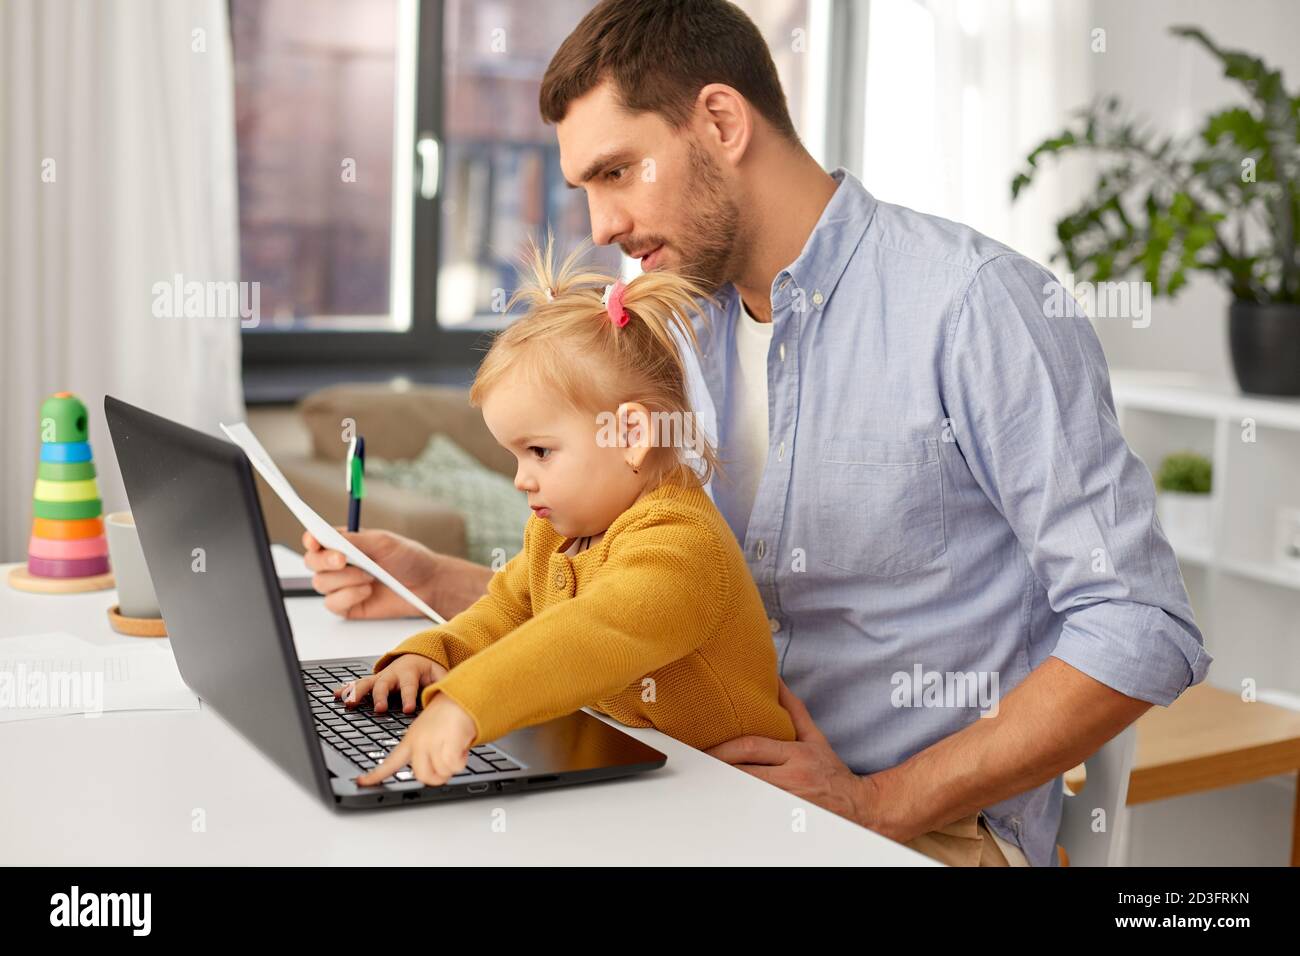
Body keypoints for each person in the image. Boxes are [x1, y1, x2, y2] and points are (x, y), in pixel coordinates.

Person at [306, 0, 1209, 866]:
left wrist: (881, 801)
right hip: (703, 796)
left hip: (909, 832)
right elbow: (652, 600)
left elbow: (1140, 625)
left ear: (722, 123)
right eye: (585, 188)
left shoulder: (974, 308)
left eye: (617, 172)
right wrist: (435, 586)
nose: (602, 226)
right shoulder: (676, 332)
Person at [339, 238, 795, 788]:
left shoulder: (683, 547)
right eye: (515, 455)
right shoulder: (558, 532)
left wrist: (466, 703)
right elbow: (506, 613)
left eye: (540, 452)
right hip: (647, 769)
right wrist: (433, 655)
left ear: (631, 435)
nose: (520, 478)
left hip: (735, 797)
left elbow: (591, 633)